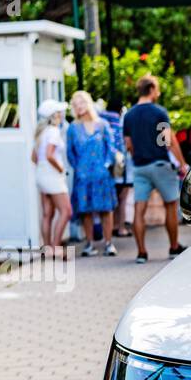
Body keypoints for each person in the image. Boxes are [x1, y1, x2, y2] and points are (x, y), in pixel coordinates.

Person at [122, 74, 187, 264]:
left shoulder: (129, 115)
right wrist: (181, 163)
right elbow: (167, 141)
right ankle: (174, 246)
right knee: (170, 205)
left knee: (139, 209)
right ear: (151, 89)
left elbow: (128, 144)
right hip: (160, 165)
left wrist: (138, 155)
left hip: (140, 167)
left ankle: (141, 252)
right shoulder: (159, 112)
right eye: (157, 89)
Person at [67, 90, 119, 256]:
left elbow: (111, 148)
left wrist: (106, 165)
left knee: (106, 209)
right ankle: (90, 244)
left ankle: (109, 243)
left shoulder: (102, 124)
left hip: (102, 174)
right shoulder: (73, 128)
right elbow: (70, 152)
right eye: (75, 104)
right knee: (85, 211)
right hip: (83, 177)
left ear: (87, 102)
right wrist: (79, 169)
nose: (79, 106)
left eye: (81, 102)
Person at [32, 99, 70, 252]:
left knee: (47, 213)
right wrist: (60, 169)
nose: (62, 115)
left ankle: (47, 249)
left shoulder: (41, 133)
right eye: (59, 112)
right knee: (66, 211)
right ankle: (56, 248)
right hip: (53, 176)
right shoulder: (54, 132)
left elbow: (34, 158)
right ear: (54, 115)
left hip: (41, 174)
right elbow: (49, 155)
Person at [101, 96, 133, 237]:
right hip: (120, 161)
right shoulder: (121, 122)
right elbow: (124, 144)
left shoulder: (100, 120)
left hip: (103, 163)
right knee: (123, 196)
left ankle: (110, 227)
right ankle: (120, 227)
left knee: (111, 195)